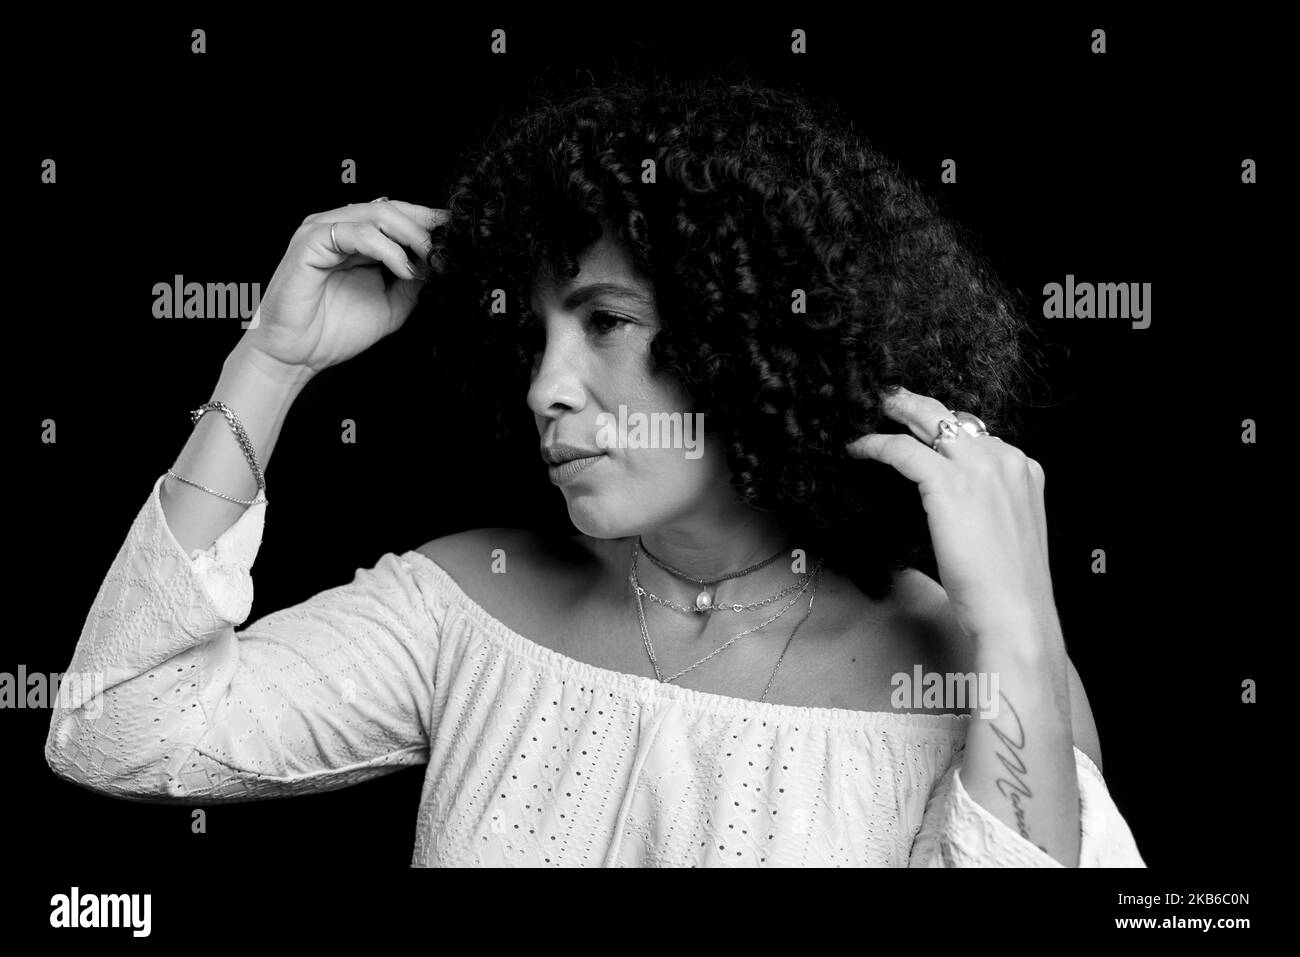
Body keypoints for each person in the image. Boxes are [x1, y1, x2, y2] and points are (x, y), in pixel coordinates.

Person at [44, 73, 1144, 867]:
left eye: (605, 320)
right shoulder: (467, 607)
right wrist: (269, 363)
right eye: (534, 340)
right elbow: (117, 729)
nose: (546, 388)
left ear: (753, 333)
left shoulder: (969, 673)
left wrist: (1016, 621)